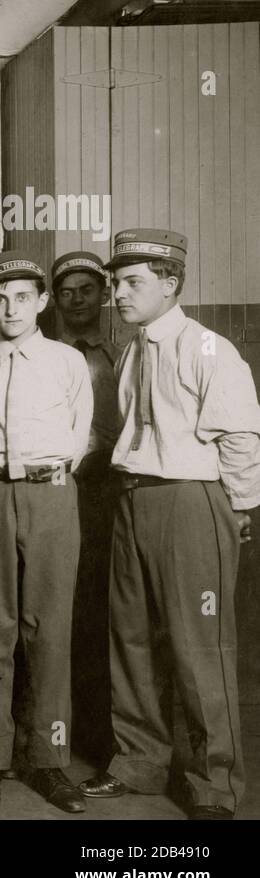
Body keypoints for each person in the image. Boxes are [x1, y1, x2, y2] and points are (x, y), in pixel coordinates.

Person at [80, 229, 260, 820]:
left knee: (199, 646)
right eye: (116, 283)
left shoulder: (208, 348)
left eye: (132, 283)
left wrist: (237, 510)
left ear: (170, 284)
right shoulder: (133, 349)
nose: (120, 294)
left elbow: (239, 437)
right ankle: (139, 763)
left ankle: (213, 786)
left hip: (190, 502)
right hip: (133, 500)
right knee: (130, 640)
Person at [0, 252, 92, 814]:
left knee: (50, 631)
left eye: (21, 298)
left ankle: (50, 760)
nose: (9, 309)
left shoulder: (67, 362)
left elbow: (80, 435)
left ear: (41, 301)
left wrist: (47, 476)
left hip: (51, 495)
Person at [51, 250, 120, 761]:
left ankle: (98, 734)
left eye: (86, 290)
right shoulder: (46, 355)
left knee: (99, 611)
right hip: (56, 491)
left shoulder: (122, 354)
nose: (76, 301)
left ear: (104, 295)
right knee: (53, 608)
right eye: (65, 292)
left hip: (106, 495)